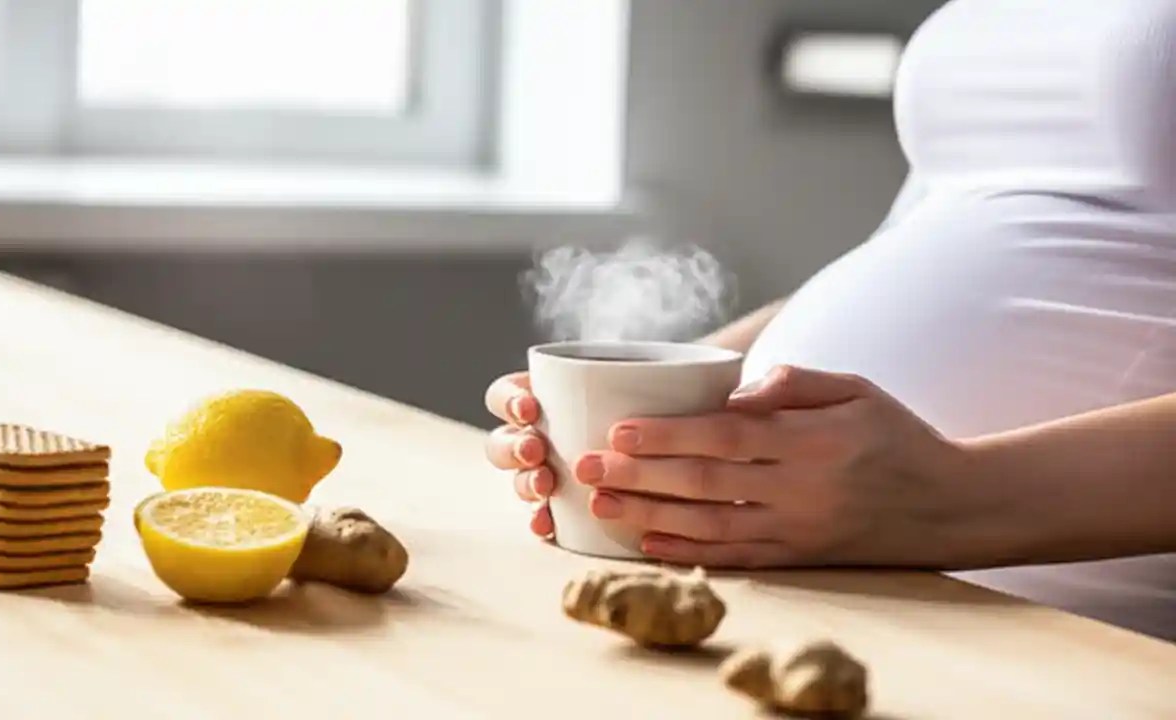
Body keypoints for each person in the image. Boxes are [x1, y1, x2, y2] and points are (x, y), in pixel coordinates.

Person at [483, 0, 1176, 641]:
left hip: (1056, 633)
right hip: (809, 597)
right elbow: (912, 246)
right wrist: (656, 401)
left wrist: (946, 498)